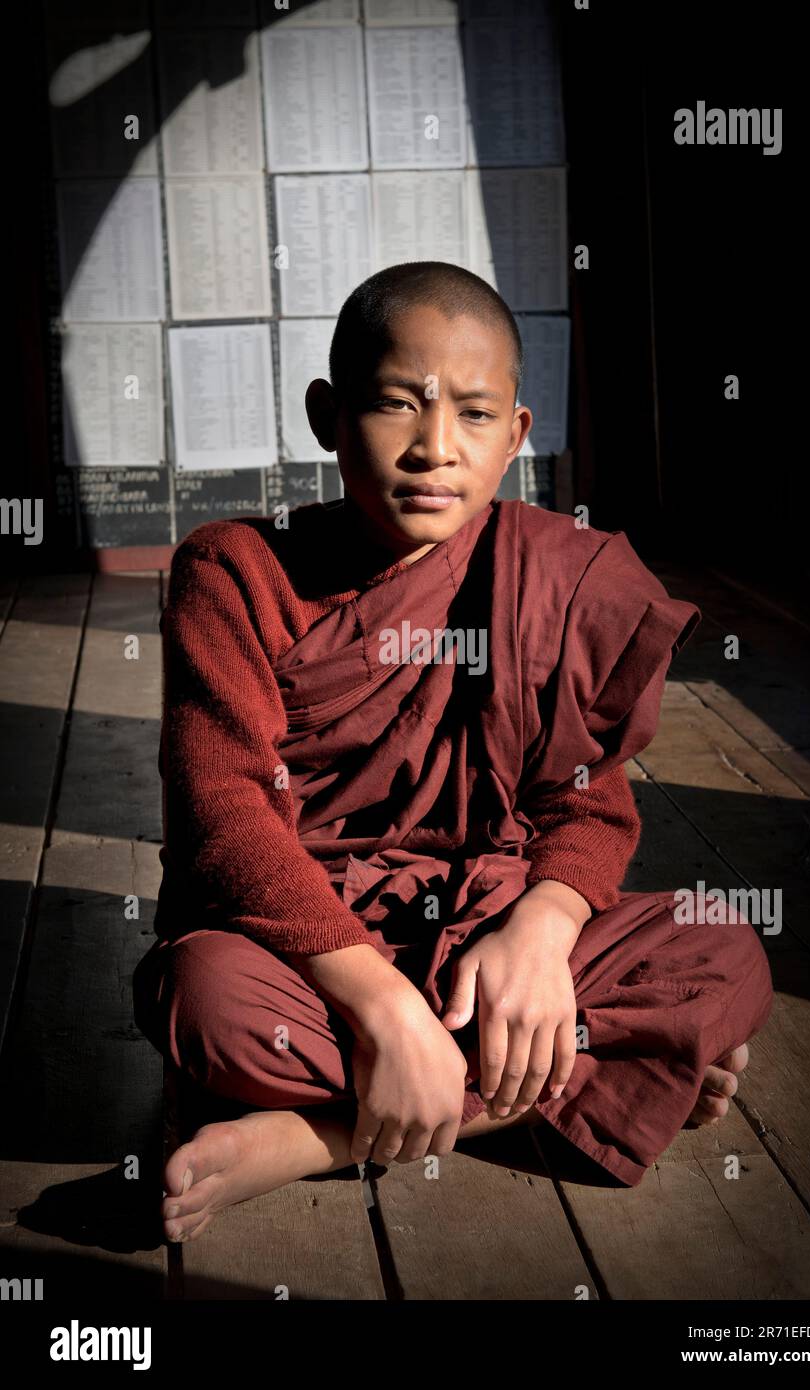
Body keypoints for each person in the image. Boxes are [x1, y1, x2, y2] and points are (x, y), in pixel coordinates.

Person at [132, 262, 773, 1245]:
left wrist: (541, 934)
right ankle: (591, 1071)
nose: (435, 450)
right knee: (205, 1000)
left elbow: (584, 804)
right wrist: (380, 1001)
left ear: (515, 436)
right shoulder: (237, 571)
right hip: (307, 950)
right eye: (396, 406)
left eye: (474, 416)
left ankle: (323, 1136)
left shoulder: (551, 573)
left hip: (488, 935)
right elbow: (225, 819)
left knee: (719, 947)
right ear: (326, 414)